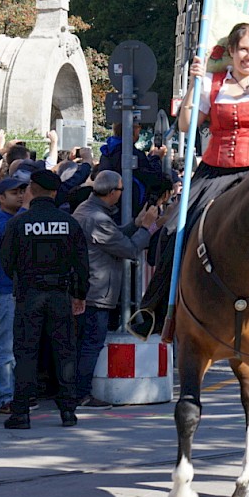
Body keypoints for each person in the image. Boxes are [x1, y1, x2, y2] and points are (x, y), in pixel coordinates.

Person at [130, 0, 249, 338]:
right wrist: (193, 84)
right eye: (243, 49)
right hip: (214, 172)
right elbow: (187, 125)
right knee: (174, 232)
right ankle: (156, 310)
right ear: (231, 52)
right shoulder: (211, 84)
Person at [0, 170, 90, 429]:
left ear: (32, 189)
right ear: (55, 192)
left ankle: (21, 413)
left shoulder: (18, 223)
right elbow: (82, 263)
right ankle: (68, 411)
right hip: (60, 294)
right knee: (65, 352)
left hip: (29, 294)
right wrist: (79, 294)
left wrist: (23, 279)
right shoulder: (69, 223)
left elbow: (6, 262)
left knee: (26, 353)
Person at [72, 171, 159, 409]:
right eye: (121, 190)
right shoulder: (97, 218)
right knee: (91, 344)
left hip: (89, 289)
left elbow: (114, 236)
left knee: (83, 343)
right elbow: (128, 249)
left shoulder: (87, 210)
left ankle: (75, 392)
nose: (122, 195)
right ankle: (80, 394)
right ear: (112, 193)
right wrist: (147, 228)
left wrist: (136, 225)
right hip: (97, 291)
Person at [0, 176, 28, 413]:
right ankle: (5, 397)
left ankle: (19, 393)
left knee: (21, 346)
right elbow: (8, 232)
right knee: (7, 346)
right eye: (15, 193)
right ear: (1, 197)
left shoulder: (19, 216)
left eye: (23, 191)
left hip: (22, 289)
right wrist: (26, 208)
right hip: (5, 289)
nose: (21, 196)